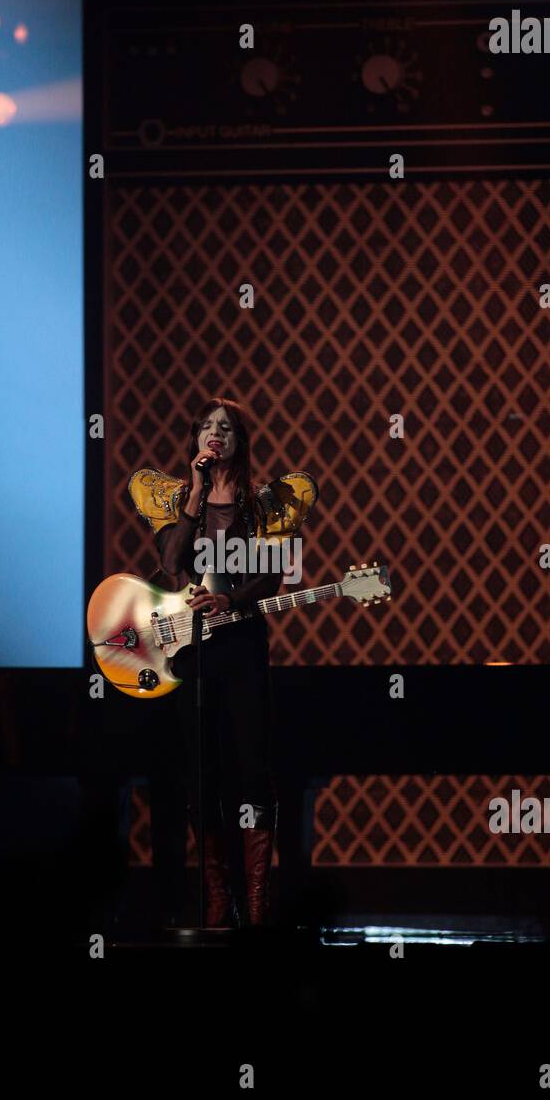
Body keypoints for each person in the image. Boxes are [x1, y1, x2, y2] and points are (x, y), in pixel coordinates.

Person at [128, 396, 318, 928]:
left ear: (240, 440)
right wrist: (192, 497)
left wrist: (229, 601)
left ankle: (255, 901)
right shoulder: (177, 501)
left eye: (227, 427)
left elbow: (271, 578)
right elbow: (169, 565)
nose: (217, 434)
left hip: (242, 647)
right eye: (208, 427)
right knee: (200, 772)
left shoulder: (263, 505)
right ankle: (217, 899)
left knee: (254, 769)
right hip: (193, 651)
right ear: (195, 440)